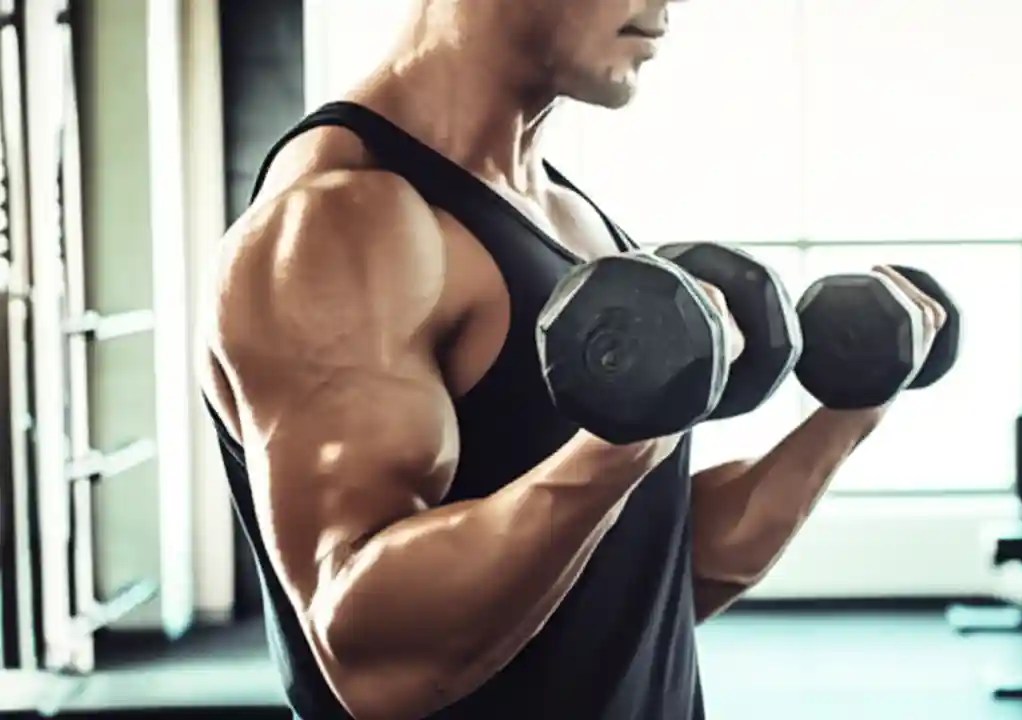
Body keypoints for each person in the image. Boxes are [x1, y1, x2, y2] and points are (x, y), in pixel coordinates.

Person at [198, 1, 947, 718]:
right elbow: (374, 661)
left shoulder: (572, 217)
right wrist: (620, 446)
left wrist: (849, 412)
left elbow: (654, 574)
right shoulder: (338, 223)